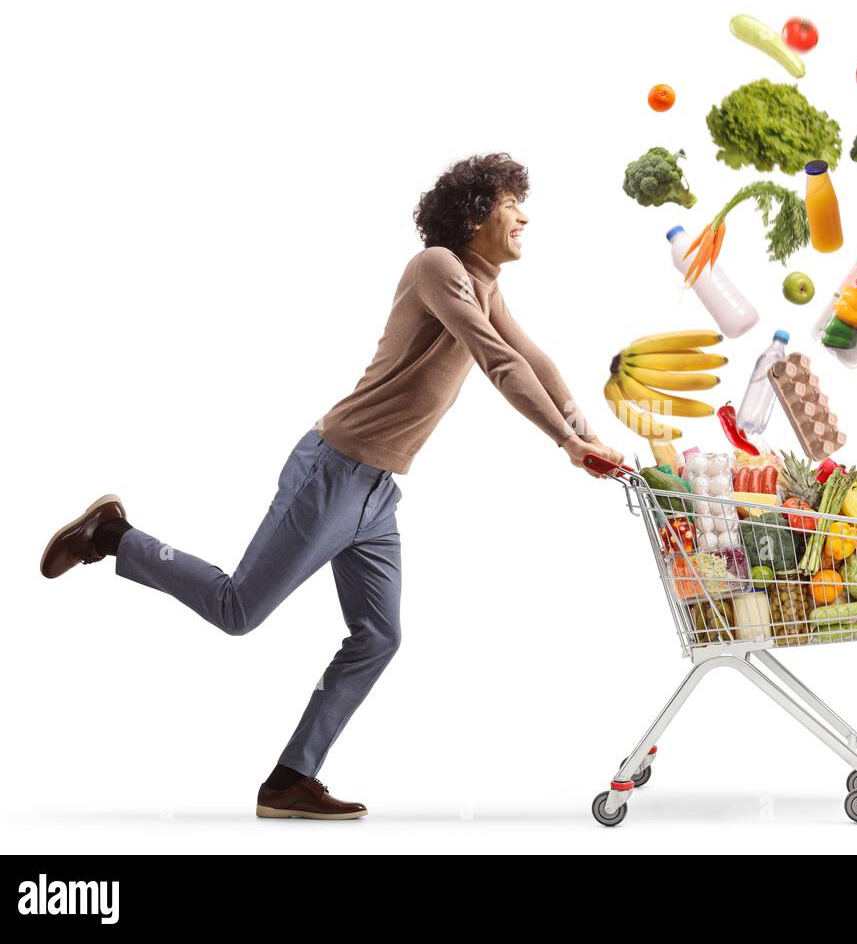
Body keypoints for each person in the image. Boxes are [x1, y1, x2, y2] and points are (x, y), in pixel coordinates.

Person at [39, 153, 622, 820]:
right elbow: (499, 361)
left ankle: (290, 779)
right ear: (472, 215)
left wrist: (585, 428)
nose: (524, 215)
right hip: (333, 472)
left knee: (379, 635)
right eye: (510, 202)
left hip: (377, 494)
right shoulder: (437, 267)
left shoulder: (485, 286)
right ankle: (113, 535)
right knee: (238, 610)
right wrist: (565, 443)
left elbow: (534, 357)